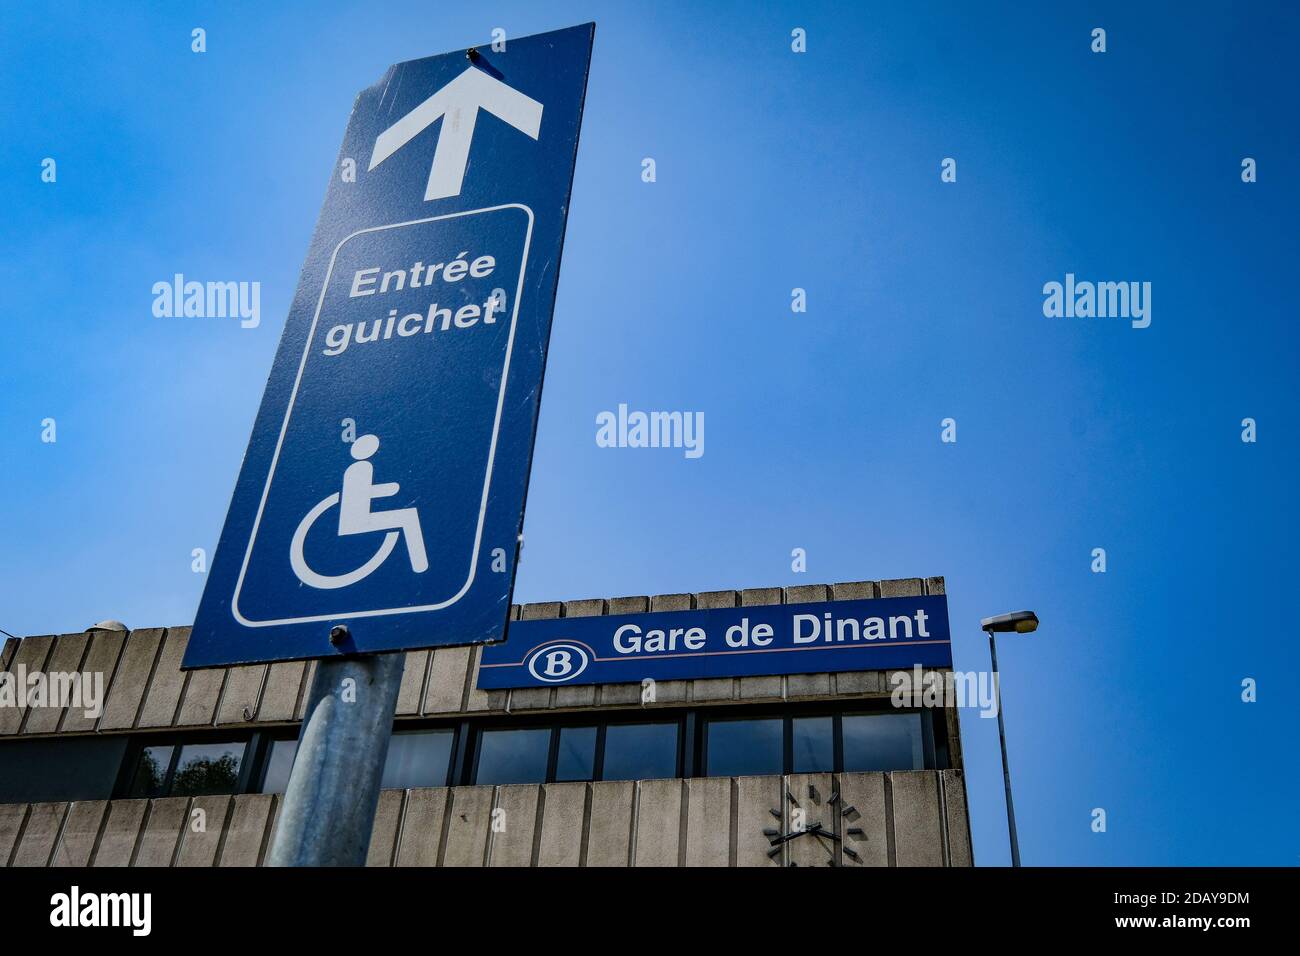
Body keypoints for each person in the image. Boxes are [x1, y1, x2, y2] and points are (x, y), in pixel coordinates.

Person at [337, 433, 428, 573]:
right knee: (408, 517)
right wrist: (391, 489)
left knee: (406, 516)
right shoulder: (363, 468)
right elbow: (366, 492)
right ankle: (420, 565)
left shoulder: (352, 469)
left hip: (351, 519)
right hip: (360, 520)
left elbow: (362, 492)